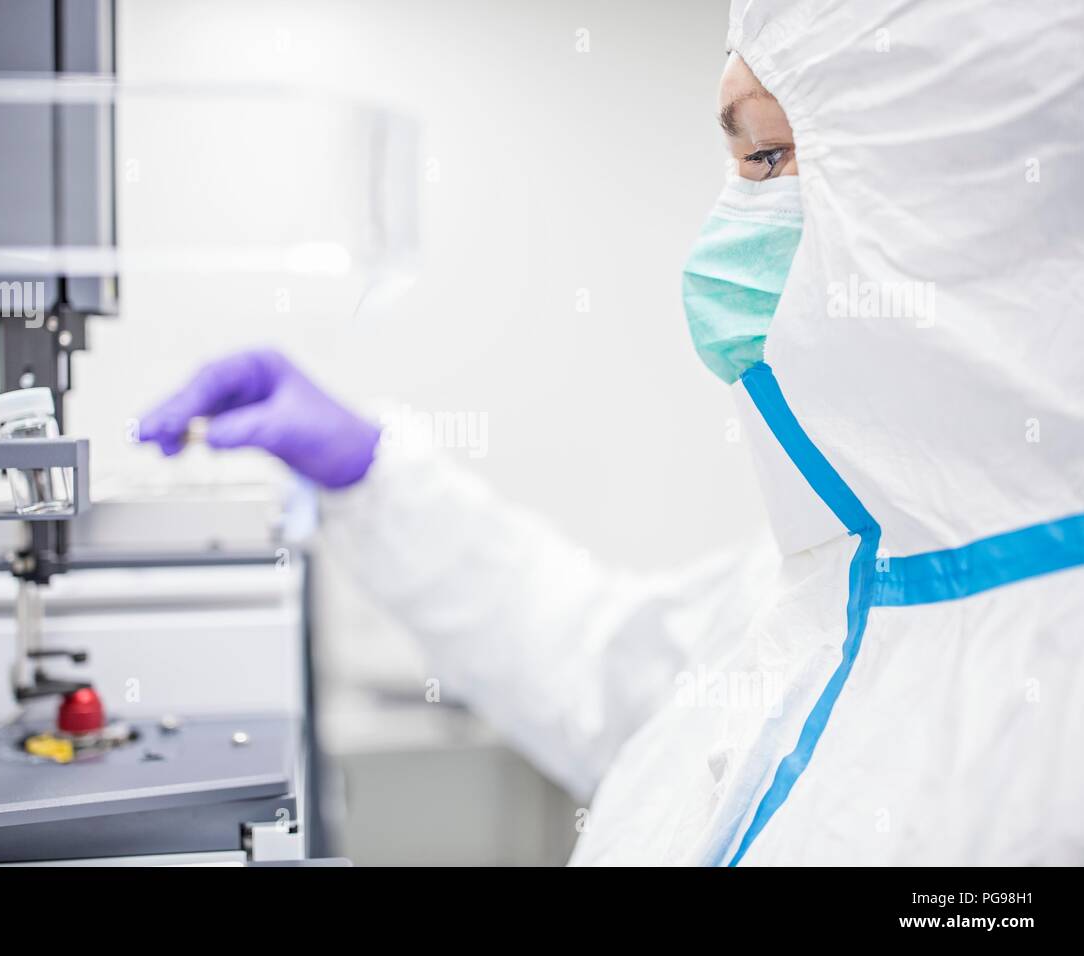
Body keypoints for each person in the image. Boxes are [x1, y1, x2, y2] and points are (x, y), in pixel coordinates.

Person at [138, 0, 1084, 864]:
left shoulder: (1047, 724)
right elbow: (602, 673)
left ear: (965, 214)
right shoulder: (833, 577)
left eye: (765, 159)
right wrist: (373, 476)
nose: (721, 236)